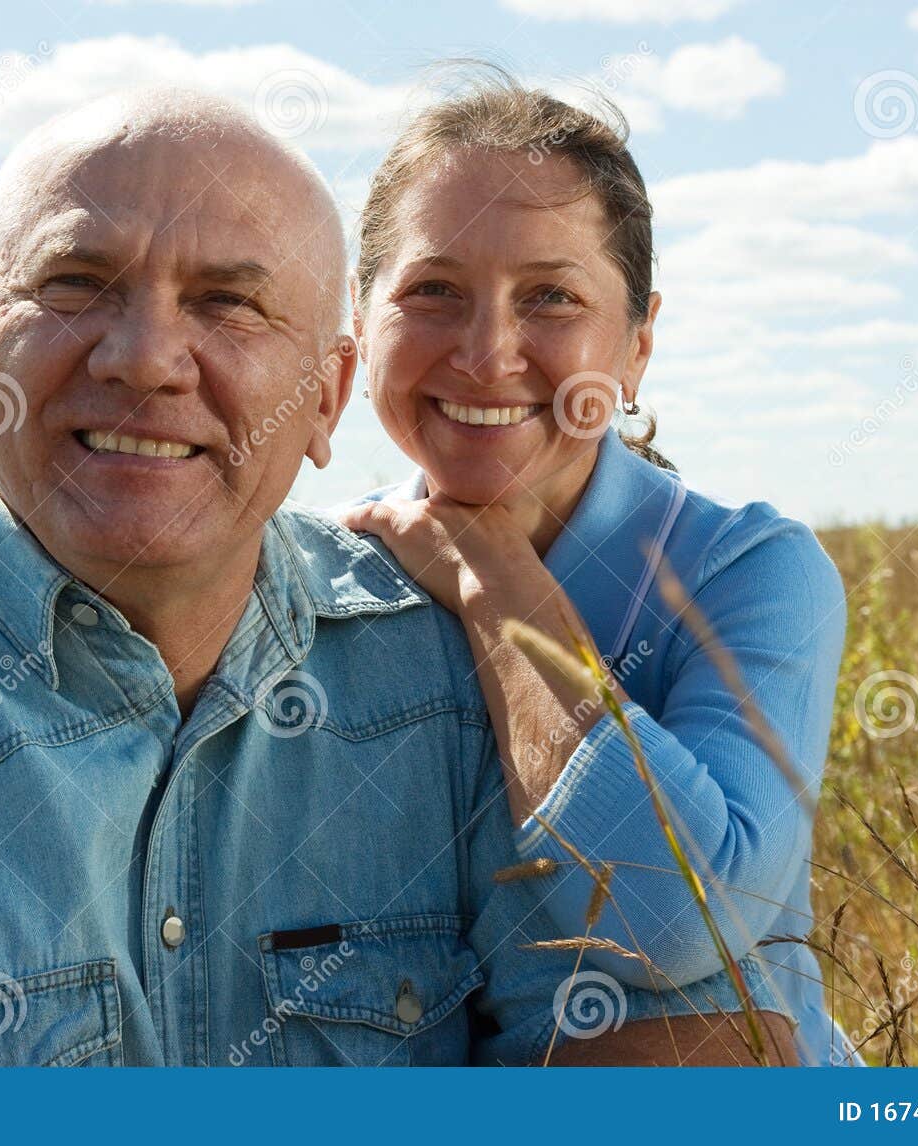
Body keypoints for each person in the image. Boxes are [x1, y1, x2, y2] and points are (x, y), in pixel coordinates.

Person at [0, 88, 790, 1067]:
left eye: (227, 302)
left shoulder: (443, 674)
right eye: (78, 282)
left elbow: (667, 1049)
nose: (142, 357)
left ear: (329, 396)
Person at [339, 73, 859, 1065]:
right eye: (433, 290)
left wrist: (503, 595)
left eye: (551, 297)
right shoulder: (324, 587)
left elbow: (679, 918)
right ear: (363, 328)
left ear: (636, 345)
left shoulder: (744, 569)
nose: (488, 351)